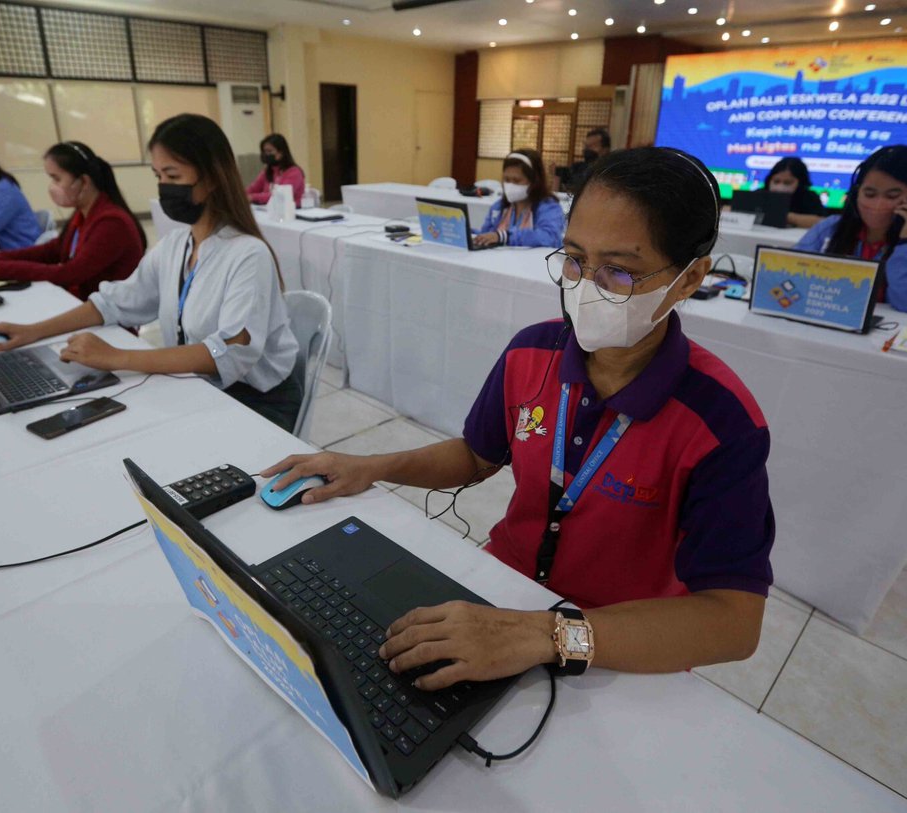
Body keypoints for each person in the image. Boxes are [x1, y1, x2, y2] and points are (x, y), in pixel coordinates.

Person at [261, 147, 774, 690]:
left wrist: (547, 635)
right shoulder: (534, 353)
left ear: (690, 278)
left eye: (620, 271)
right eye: (574, 259)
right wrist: (371, 466)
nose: (584, 285)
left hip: (622, 641)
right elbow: (476, 455)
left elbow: (733, 622)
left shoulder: (721, 421)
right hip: (502, 590)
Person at [0, 114, 303, 431]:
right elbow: (114, 302)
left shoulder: (248, 254)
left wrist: (117, 357)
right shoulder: (176, 246)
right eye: (158, 176)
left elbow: (229, 352)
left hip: (255, 402)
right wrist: (32, 331)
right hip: (200, 387)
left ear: (213, 177)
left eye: (173, 176)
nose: (163, 186)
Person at [0, 141, 146, 299]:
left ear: (84, 182)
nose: (52, 186)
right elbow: (53, 250)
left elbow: (70, 273)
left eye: (56, 178)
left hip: (106, 320)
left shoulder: (112, 223)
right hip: (81, 304)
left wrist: (0, 270)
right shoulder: (84, 212)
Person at [795, 145, 907, 313]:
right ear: (856, 193)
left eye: (892, 196)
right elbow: (793, 278)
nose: (878, 205)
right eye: (869, 194)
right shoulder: (830, 228)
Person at [472, 149, 564, 248]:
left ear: (534, 182)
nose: (510, 185)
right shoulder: (498, 207)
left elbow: (549, 237)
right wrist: (467, 231)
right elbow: (487, 235)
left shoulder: (549, 207)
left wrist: (504, 237)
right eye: (506, 180)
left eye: (517, 180)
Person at [756, 157, 825, 228]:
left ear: (800, 183)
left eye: (787, 183)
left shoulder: (810, 198)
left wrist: (786, 216)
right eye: (776, 181)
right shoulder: (759, 194)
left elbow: (823, 223)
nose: (780, 186)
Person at [247, 134, 305, 208]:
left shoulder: (294, 172)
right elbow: (253, 188)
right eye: (264, 151)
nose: (266, 154)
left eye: (269, 151)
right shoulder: (268, 171)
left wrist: (252, 197)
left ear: (281, 153)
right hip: (271, 210)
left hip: (292, 213)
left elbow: (280, 196)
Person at [554, 127, 611, 194]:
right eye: (586, 146)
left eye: (592, 146)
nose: (586, 149)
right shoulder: (578, 167)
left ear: (605, 150)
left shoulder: (609, 172)